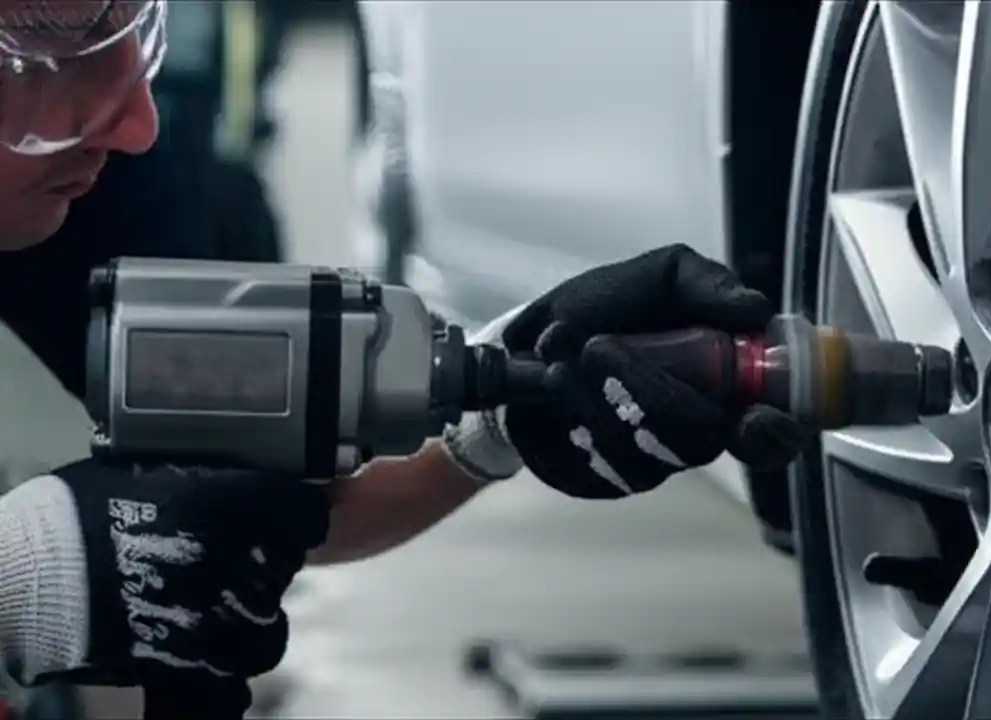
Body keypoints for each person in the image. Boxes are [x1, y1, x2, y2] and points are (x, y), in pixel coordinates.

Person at [0, 1, 805, 716]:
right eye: (49, 42)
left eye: (126, 25)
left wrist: (498, 411)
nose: (134, 122)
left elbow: (270, 506)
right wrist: (25, 575)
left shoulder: (86, 173)